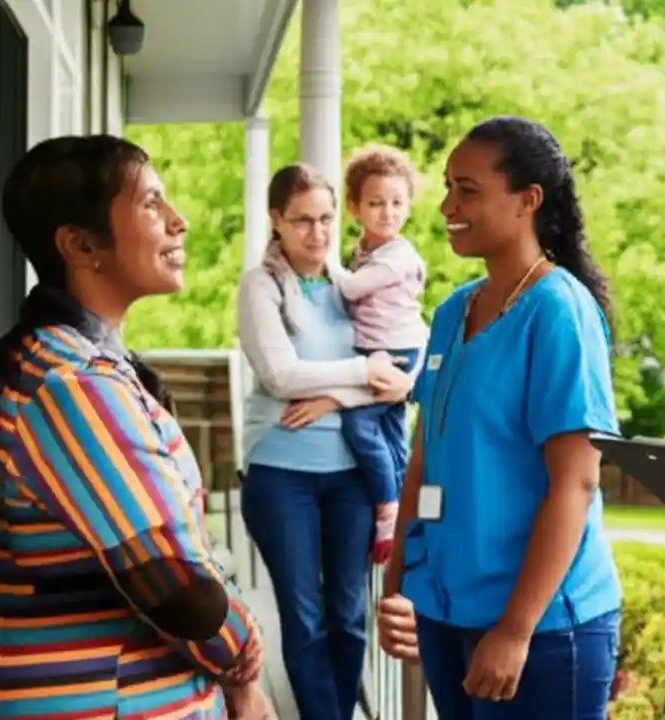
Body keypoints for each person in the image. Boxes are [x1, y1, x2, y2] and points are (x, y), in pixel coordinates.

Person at [0, 135, 272, 719]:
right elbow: (172, 580)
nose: (179, 221)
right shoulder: (70, 387)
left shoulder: (72, 365)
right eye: (151, 203)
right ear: (81, 244)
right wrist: (244, 663)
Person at [377, 115, 622, 719]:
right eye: (447, 187)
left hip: (539, 630)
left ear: (528, 201)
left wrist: (515, 629)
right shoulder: (453, 311)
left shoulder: (558, 311)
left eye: (468, 190)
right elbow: (425, 455)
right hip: (443, 612)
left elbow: (577, 480)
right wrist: (399, 579)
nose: (446, 206)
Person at [236, 163, 414, 720]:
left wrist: (340, 396)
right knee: (304, 615)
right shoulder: (260, 286)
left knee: (348, 614)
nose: (317, 232)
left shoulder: (354, 285)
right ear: (276, 221)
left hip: (351, 478)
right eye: (302, 220)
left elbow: (404, 377)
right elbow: (282, 377)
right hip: (280, 473)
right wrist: (364, 374)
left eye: (327, 218)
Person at [333, 143, 431, 564]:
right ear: (355, 207)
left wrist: (321, 260)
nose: (387, 212)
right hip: (382, 347)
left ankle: (388, 508)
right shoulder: (364, 250)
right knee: (390, 432)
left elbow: (352, 289)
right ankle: (407, 505)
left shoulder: (398, 256)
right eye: (376, 203)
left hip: (394, 352)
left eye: (397, 202)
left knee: (359, 426)